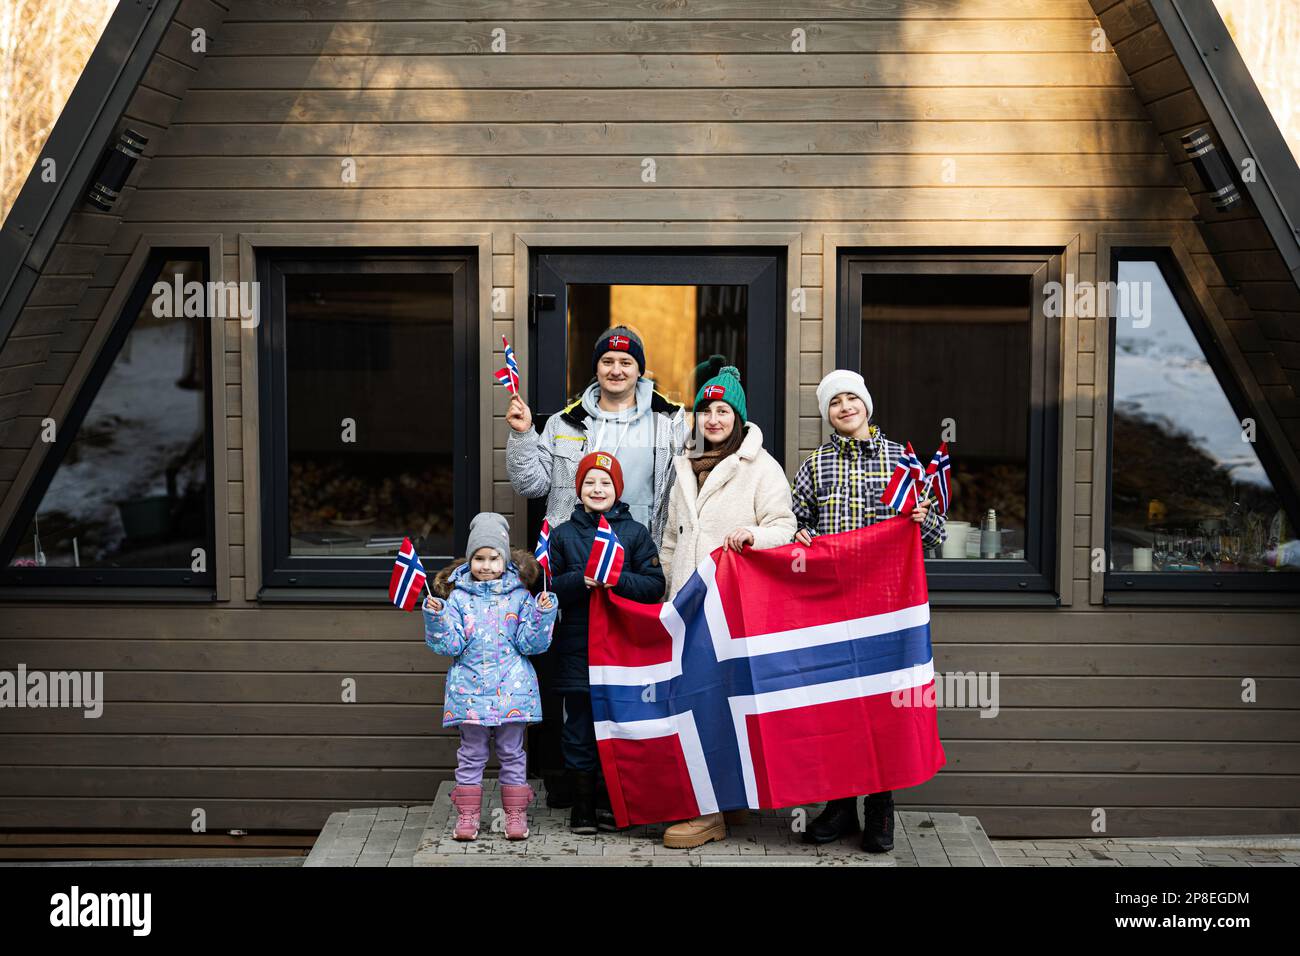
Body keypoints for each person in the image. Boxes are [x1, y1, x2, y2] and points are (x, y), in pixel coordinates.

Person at [790, 369, 946, 853]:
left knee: (883, 706)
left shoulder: (903, 460)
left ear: (866, 404)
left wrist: (922, 519)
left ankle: (880, 807)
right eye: (833, 401)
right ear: (827, 414)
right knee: (836, 702)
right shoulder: (814, 466)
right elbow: (795, 525)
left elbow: (936, 535)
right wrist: (799, 538)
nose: (843, 406)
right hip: (831, 609)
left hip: (887, 607)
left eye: (850, 397)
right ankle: (840, 806)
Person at [657, 365, 797, 849]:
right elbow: (673, 541)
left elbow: (784, 527)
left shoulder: (762, 467)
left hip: (733, 609)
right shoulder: (684, 466)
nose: (712, 419)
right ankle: (721, 802)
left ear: (737, 418)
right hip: (687, 605)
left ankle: (709, 813)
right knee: (696, 701)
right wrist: (664, 598)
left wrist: (754, 536)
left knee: (719, 702)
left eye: (723, 411)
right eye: (705, 410)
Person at [546, 452, 665, 833]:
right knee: (579, 726)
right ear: (579, 490)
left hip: (621, 650)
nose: (598, 489)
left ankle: (612, 800)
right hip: (578, 648)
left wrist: (617, 579)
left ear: (618, 490)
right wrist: (580, 579)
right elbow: (549, 591)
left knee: (618, 724)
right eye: (590, 483)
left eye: (606, 483)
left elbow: (654, 586)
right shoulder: (563, 534)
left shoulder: (635, 533)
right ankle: (581, 806)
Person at [422, 512, 557, 842]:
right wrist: (437, 618)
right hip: (469, 692)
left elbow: (532, 643)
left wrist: (542, 612)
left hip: (513, 691)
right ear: (469, 560)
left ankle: (515, 814)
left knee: (512, 753)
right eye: (479, 558)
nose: (486, 565)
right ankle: (467, 815)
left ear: (505, 559)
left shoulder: (521, 597)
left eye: (493, 557)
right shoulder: (457, 599)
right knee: (471, 755)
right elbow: (449, 644)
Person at [505, 326, 688, 549]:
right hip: (575, 553)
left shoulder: (668, 422)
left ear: (640, 370)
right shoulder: (564, 422)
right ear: (597, 369)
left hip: (639, 554)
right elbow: (530, 485)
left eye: (626, 362)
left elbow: (686, 490)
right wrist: (522, 434)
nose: (616, 370)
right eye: (608, 361)